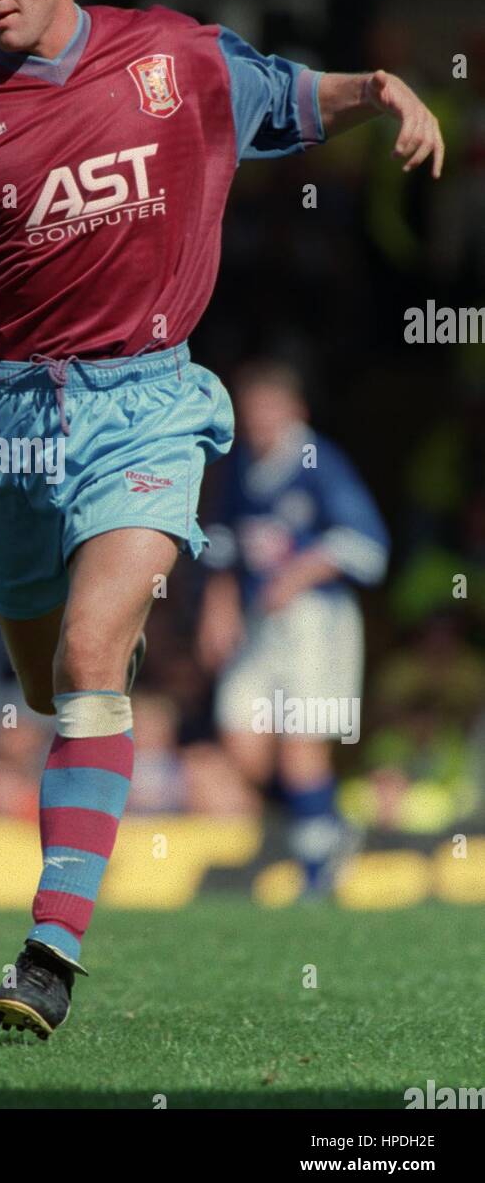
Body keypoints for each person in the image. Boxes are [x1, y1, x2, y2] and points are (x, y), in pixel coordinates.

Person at [0, 0, 444, 1038]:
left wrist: (378, 89)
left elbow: (287, 100)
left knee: (92, 652)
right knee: (43, 684)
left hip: (151, 403)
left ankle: (50, 953)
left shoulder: (176, 59)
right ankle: (84, 742)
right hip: (3, 420)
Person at [197, 361, 390, 895]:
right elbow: (224, 541)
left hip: (316, 621)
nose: (257, 419)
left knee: (300, 743)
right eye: (249, 408)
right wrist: (219, 603)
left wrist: (298, 574)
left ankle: (316, 871)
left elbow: (367, 546)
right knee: (243, 743)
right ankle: (325, 825)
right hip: (262, 626)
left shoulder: (318, 462)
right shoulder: (240, 466)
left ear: (294, 410)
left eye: (267, 408)